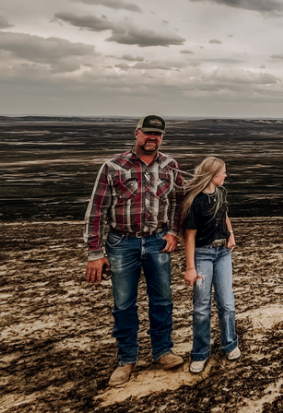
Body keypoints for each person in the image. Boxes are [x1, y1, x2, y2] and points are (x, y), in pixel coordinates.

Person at [83, 115, 186, 388]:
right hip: (121, 243)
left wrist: (173, 232)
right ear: (137, 133)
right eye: (148, 133)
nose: (152, 138)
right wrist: (95, 253)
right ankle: (126, 359)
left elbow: (178, 203)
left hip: (158, 241)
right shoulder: (113, 167)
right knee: (124, 303)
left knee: (162, 300)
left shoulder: (170, 166)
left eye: (158, 134)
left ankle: (162, 351)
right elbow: (95, 211)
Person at [180, 157, 239, 374]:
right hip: (202, 255)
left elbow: (224, 215)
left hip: (223, 253)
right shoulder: (195, 200)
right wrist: (190, 267)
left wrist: (230, 235)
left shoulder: (221, 193)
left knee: (227, 303)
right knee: (202, 307)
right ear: (213, 175)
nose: (226, 175)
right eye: (224, 172)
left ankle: (230, 343)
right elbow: (190, 237)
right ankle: (200, 353)